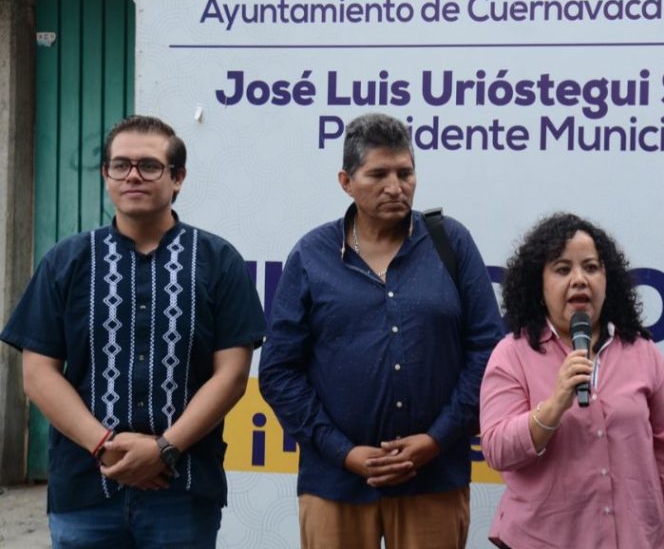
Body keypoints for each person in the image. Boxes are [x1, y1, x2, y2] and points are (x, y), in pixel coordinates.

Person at [1, 115, 266, 547]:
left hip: (182, 490)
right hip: (85, 489)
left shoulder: (218, 261)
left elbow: (232, 375)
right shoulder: (66, 261)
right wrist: (103, 444)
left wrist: (163, 448)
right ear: (106, 175)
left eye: (149, 166)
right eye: (120, 165)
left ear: (177, 178)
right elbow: (38, 374)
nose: (133, 176)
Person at [258, 112, 504, 549]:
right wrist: (342, 452)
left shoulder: (451, 243)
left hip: (434, 477)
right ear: (346, 181)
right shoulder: (312, 256)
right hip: (335, 483)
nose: (396, 186)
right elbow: (280, 372)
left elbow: (488, 352)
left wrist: (436, 439)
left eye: (405, 173)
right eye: (378, 174)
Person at [479, 213, 664, 549]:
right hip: (542, 540)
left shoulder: (643, 353)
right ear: (538, 284)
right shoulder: (512, 354)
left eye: (591, 268)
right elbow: (496, 449)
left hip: (636, 538)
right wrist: (553, 406)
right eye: (563, 269)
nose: (580, 280)